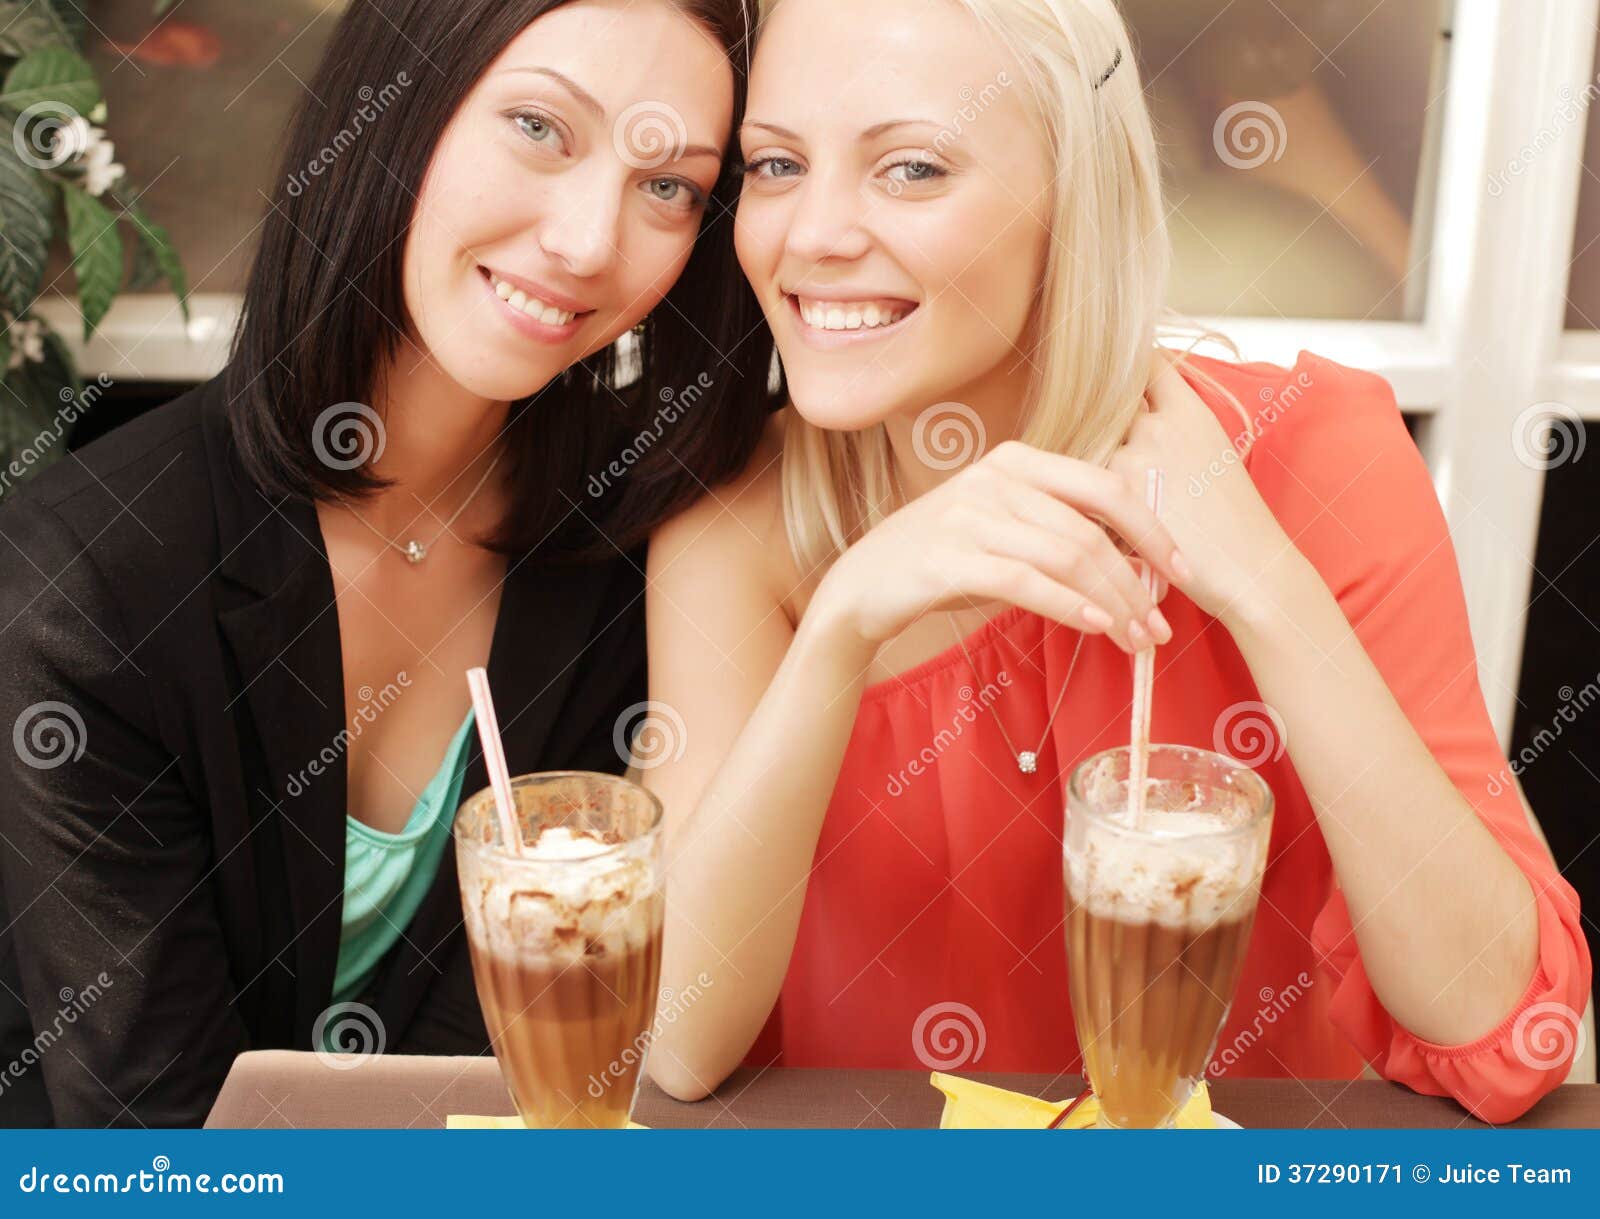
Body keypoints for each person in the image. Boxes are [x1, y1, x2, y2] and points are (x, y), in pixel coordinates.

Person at [642, 0, 1590, 1124]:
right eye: (778, 164)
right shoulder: (732, 531)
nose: (811, 235)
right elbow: (670, 1044)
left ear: (1074, 198)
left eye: (911, 169)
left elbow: (1499, 1031)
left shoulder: (1317, 454)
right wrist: (841, 624)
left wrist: (1261, 584)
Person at [0, 0, 770, 1127]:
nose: (587, 242)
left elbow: (522, 1058)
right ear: (395, 108)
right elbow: (159, 1138)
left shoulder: (625, 529)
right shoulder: (85, 587)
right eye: (540, 128)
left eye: (669, 185)